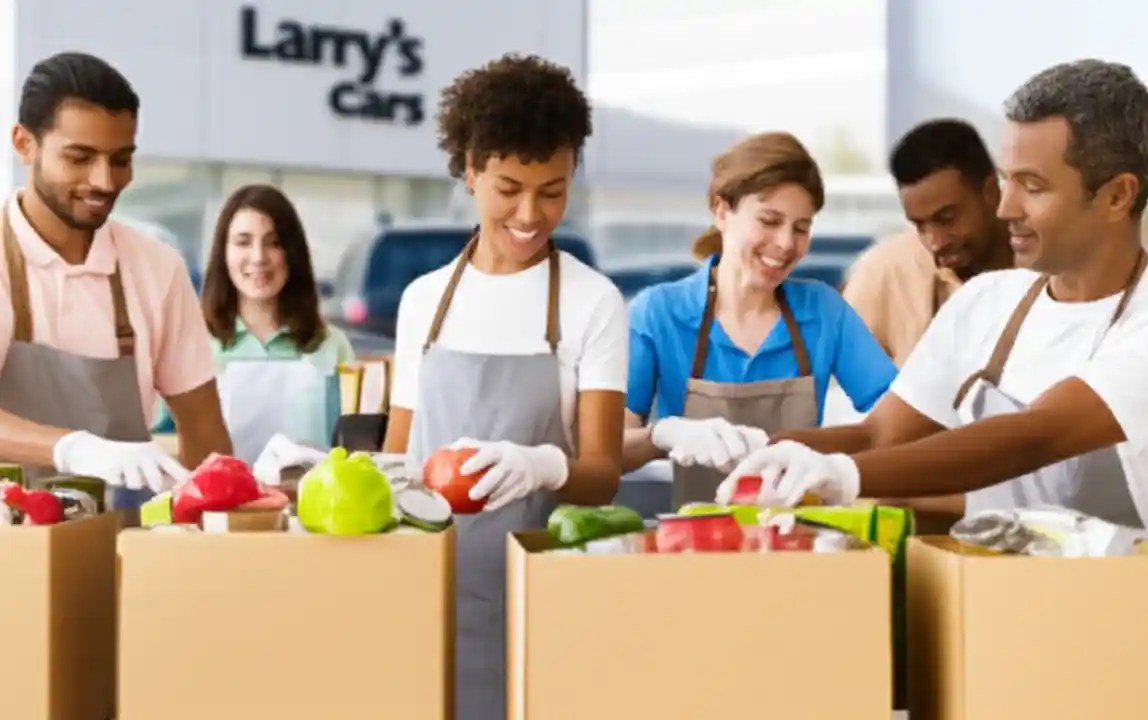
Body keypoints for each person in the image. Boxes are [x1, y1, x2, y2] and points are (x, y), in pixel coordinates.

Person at [717, 59, 1148, 530]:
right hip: (976, 589)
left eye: (1032, 185)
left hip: (1111, 604)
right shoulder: (984, 302)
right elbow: (880, 438)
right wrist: (765, 450)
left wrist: (845, 476)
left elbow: (1038, 435)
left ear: (1117, 195)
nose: (1005, 207)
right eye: (1006, 180)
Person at [269, 54, 623, 720]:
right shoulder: (423, 301)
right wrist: (313, 477)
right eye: (508, 187)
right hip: (422, 588)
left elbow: (602, 473)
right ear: (469, 170)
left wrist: (541, 464)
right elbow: (398, 467)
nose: (530, 212)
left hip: (535, 595)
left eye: (553, 189)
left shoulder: (592, 301)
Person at [0, 52, 230, 511]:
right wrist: (73, 448)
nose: (104, 181)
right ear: (24, 144)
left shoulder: (157, 269)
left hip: (120, 544)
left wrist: (224, 515)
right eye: (80, 158)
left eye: (120, 160)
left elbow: (203, 430)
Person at [621, 131, 896, 511]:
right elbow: (608, 451)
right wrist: (662, 435)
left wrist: (830, 459)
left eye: (801, 227)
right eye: (769, 220)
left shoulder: (823, 312)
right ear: (722, 211)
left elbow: (900, 421)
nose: (786, 243)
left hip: (796, 541)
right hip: (695, 545)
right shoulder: (658, 314)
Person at [155, 185, 356, 464]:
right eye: (243, 242)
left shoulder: (332, 345)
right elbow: (159, 440)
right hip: (219, 505)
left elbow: (353, 448)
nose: (259, 257)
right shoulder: (192, 342)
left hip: (311, 505)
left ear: (292, 253)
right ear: (223, 253)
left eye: (273, 242)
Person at [843, 118, 1013, 365]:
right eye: (919, 225)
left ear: (990, 192)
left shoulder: (1056, 267)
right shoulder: (885, 271)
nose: (935, 243)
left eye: (946, 219)